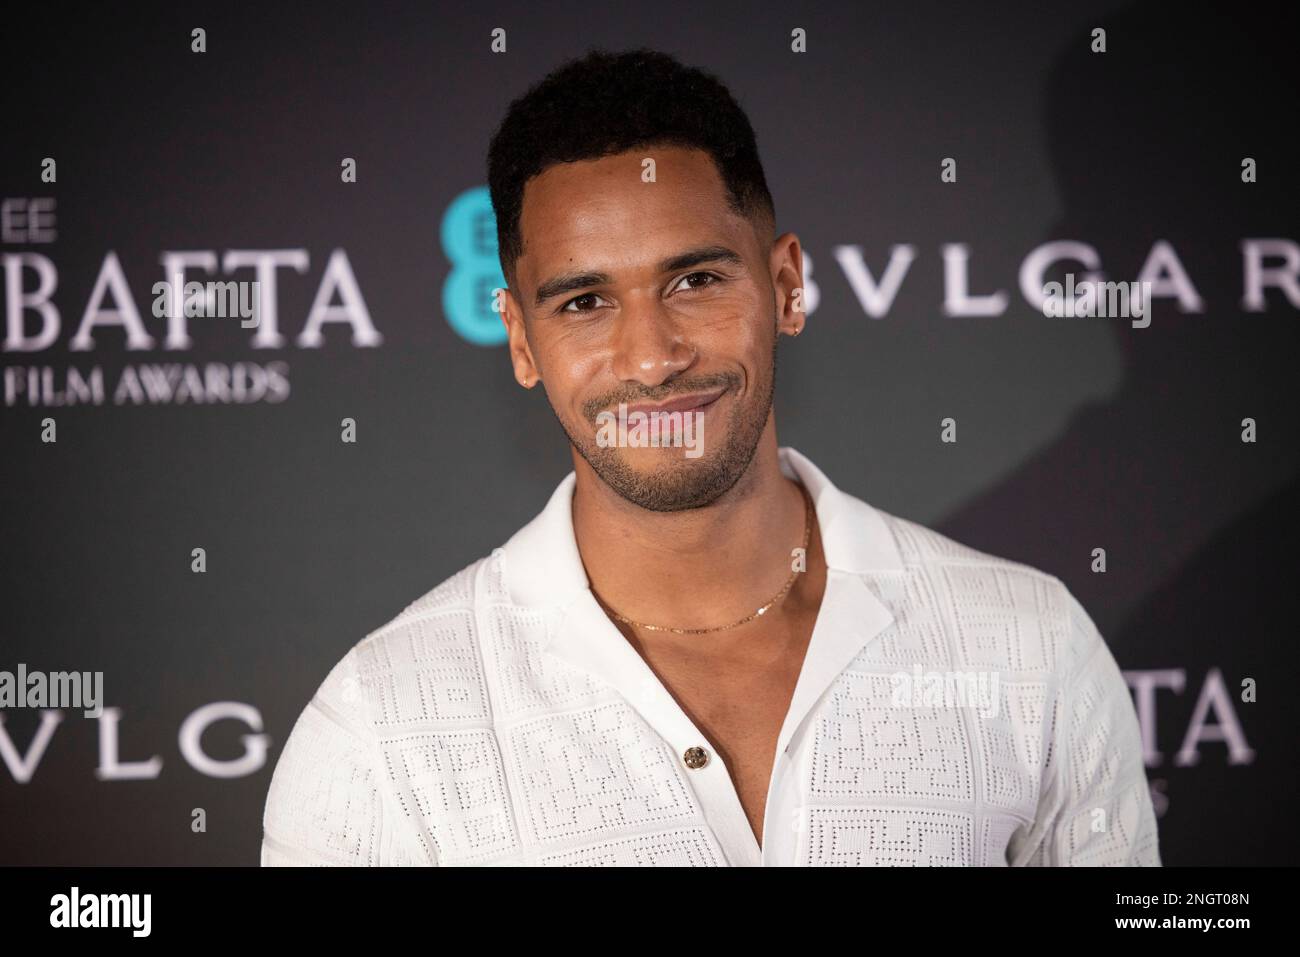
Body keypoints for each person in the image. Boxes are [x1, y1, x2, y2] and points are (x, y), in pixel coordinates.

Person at [260, 48, 1159, 867]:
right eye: (583, 302)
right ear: (521, 341)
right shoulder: (379, 734)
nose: (652, 358)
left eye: (695, 281)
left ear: (785, 286)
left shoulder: (1028, 647)